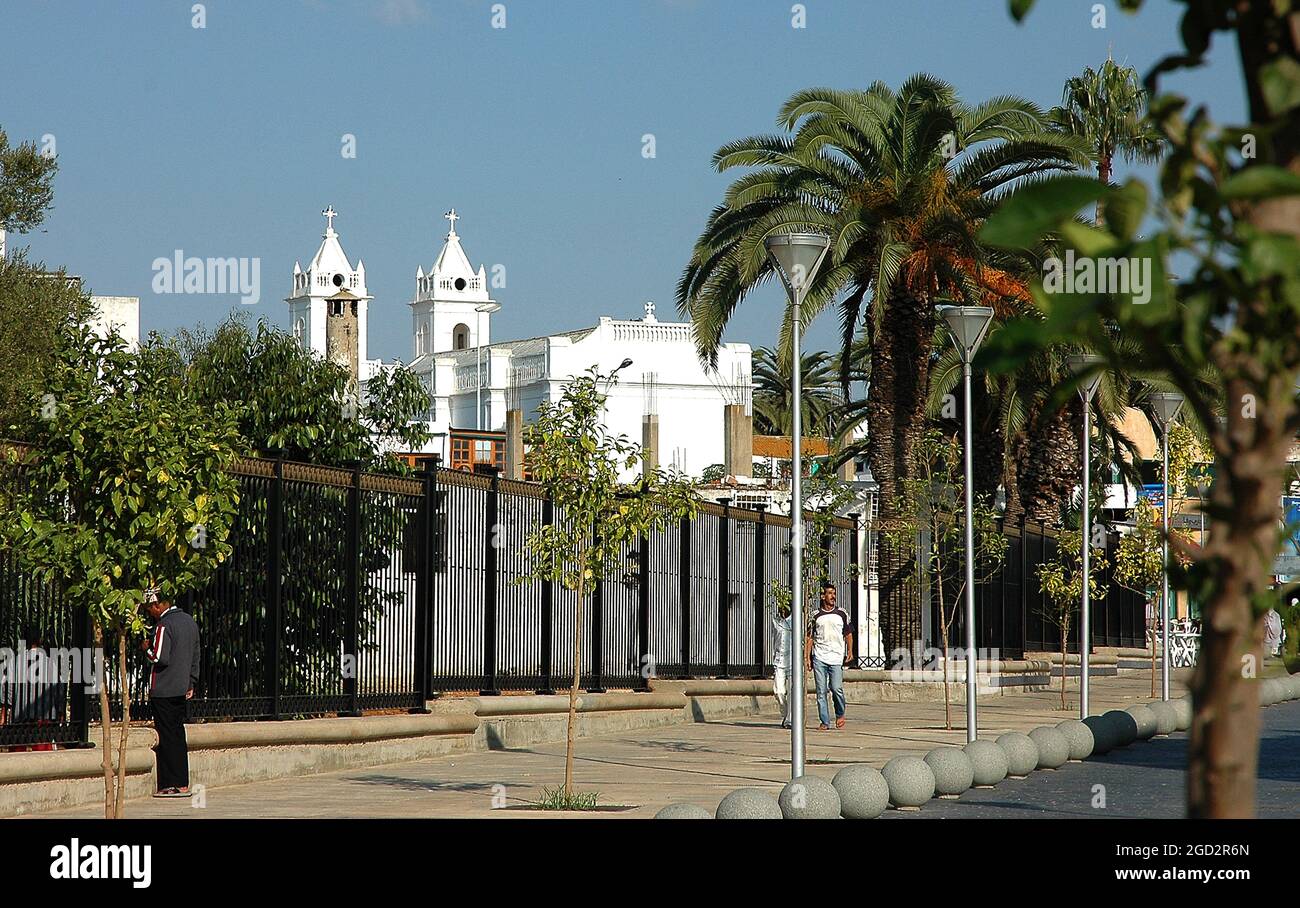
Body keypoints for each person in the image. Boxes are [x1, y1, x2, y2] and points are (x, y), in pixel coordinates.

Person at [141, 589, 200, 798]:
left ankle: (170, 783)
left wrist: (146, 648)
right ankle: (182, 782)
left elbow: (159, 657)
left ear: (158, 605)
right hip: (181, 687)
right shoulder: (189, 622)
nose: (150, 613)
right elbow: (195, 656)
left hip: (164, 689)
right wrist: (191, 682)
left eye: (150, 608)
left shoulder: (164, 625)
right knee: (177, 734)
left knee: (166, 736)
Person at [805, 584, 853, 730]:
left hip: (836, 657)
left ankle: (840, 713)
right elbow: (809, 637)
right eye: (830, 593)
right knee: (821, 691)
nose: (833, 596)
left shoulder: (842, 613)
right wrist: (807, 658)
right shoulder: (815, 616)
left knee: (836, 688)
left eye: (834, 593)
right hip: (819, 657)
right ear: (822, 596)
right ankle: (824, 721)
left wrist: (850, 651)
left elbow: (848, 633)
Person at [771, 602, 793, 728]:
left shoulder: (796, 620)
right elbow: (775, 638)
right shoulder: (775, 620)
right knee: (778, 691)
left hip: (792, 660)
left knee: (791, 691)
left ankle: (790, 719)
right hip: (779, 660)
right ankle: (785, 714)